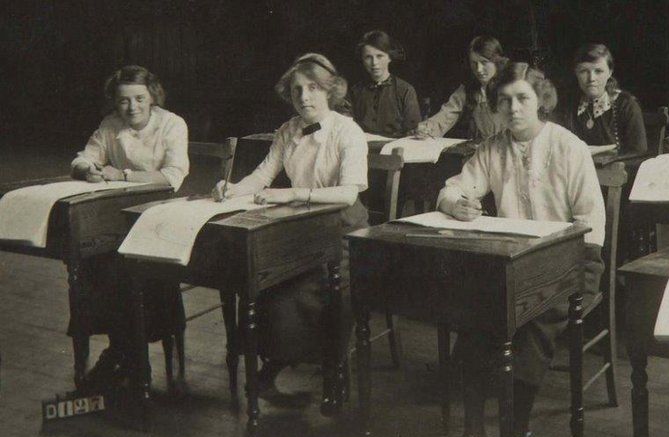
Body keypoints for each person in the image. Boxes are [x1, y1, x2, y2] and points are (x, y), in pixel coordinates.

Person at [436, 62, 606, 437]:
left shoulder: (568, 147)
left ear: (541, 100)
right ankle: (473, 434)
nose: (513, 108)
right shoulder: (493, 148)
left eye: (522, 98)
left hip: (570, 261)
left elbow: (590, 224)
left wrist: (559, 264)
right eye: (504, 100)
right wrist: (457, 204)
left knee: (528, 328)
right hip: (513, 265)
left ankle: (516, 434)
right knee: (473, 322)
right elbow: (454, 187)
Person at [213, 53, 368, 410]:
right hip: (301, 231)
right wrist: (231, 188)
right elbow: (262, 176)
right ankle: (269, 371)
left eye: (313, 88)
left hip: (345, 231)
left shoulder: (348, 131)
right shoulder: (288, 130)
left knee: (323, 290)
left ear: (329, 90)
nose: (304, 97)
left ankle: (334, 373)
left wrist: (294, 193)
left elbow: (348, 194)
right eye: (297, 90)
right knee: (270, 283)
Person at [69, 65, 189, 389]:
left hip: (161, 215)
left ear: (152, 97)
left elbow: (172, 177)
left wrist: (122, 175)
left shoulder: (172, 124)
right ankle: (127, 352)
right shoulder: (111, 125)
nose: (132, 107)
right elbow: (83, 157)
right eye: (124, 100)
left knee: (128, 266)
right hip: (119, 215)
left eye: (139, 99)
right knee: (96, 261)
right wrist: (89, 170)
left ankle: (124, 354)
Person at [414, 36, 508, 141]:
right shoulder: (468, 89)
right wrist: (428, 128)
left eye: (484, 62)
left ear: (496, 61)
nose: (479, 69)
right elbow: (447, 114)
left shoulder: (511, 86)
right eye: (474, 63)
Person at [559, 43, 647, 154]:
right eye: (584, 71)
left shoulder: (626, 104)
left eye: (598, 71)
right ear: (576, 73)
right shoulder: (569, 104)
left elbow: (638, 150)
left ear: (610, 72)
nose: (591, 78)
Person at [348, 30, 421, 137]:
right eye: (368, 57)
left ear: (389, 57)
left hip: (396, 146)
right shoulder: (355, 91)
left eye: (379, 56)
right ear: (362, 59)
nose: (374, 63)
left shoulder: (405, 90)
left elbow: (413, 131)